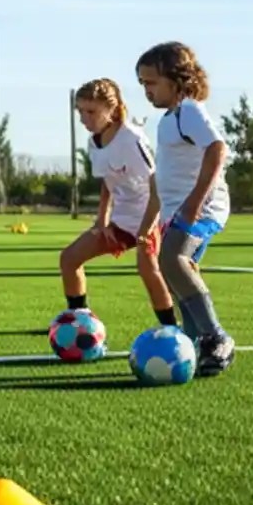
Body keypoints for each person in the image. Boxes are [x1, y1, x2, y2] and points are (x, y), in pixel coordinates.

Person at [136, 41, 235, 376]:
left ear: (177, 80)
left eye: (151, 83)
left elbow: (217, 149)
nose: (147, 90)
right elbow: (163, 177)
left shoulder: (189, 110)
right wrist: (154, 219)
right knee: (174, 270)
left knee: (172, 261)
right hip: (176, 211)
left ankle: (216, 336)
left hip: (203, 209)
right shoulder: (168, 120)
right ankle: (192, 341)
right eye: (143, 84)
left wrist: (194, 203)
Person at [58, 78, 174, 326]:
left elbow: (157, 186)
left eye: (91, 111)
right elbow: (107, 184)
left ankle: (171, 329)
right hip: (121, 219)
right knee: (69, 259)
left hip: (150, 215)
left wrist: (146, 232)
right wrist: (103, 220)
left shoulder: (131, 139)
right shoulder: (93, 142)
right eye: (80, 111)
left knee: (148, 269)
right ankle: (79, 321)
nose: (83, 118)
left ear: (111, 110)